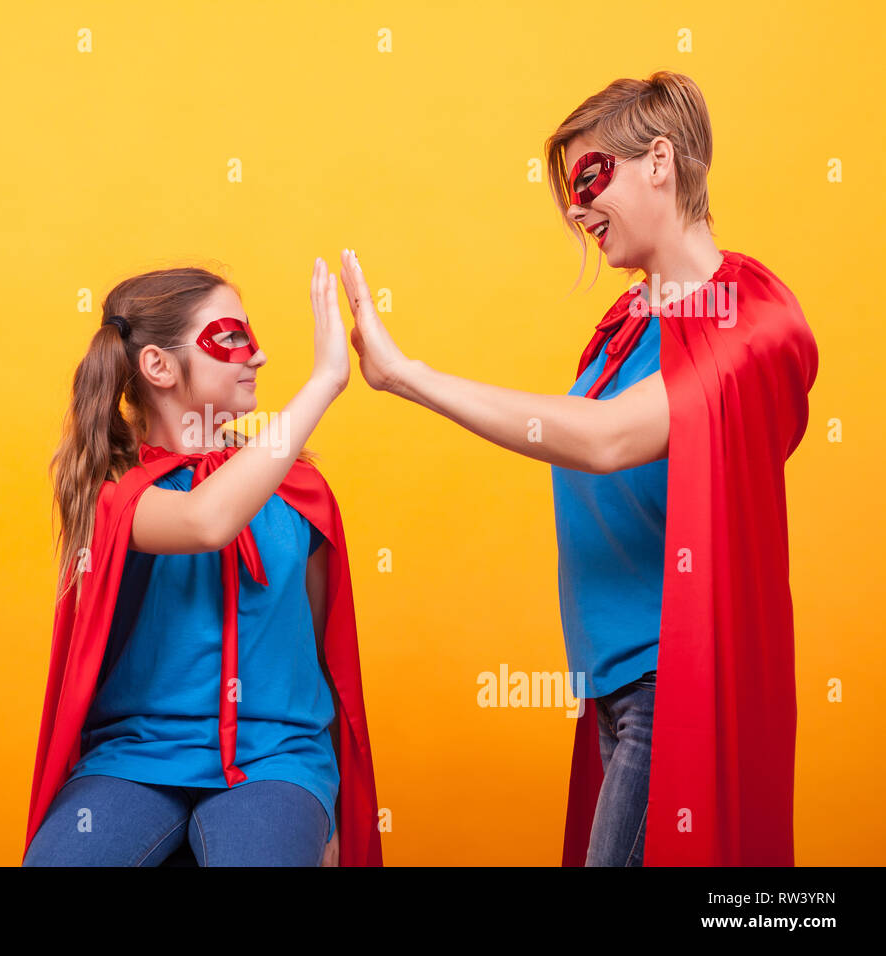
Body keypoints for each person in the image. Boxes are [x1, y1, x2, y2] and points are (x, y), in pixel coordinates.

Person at [340, 71, 818, 865]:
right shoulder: (626, 325)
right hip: (612, 682)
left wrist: (407, 375)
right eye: (569, 189)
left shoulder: (750, 317)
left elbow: (603, 439)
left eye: (593, 177)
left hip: (675, 681)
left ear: (660, 161)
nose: (575, 207)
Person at [23, 259, 383, 866]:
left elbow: (325, 655)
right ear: (159, 366)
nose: (258, 356)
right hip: (135, 758)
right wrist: (324, 381)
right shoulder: (116, 495)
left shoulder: (301, 494)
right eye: (232, 337)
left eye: (253, 335)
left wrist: (325, 812)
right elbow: (207, 521)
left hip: (278, 759)